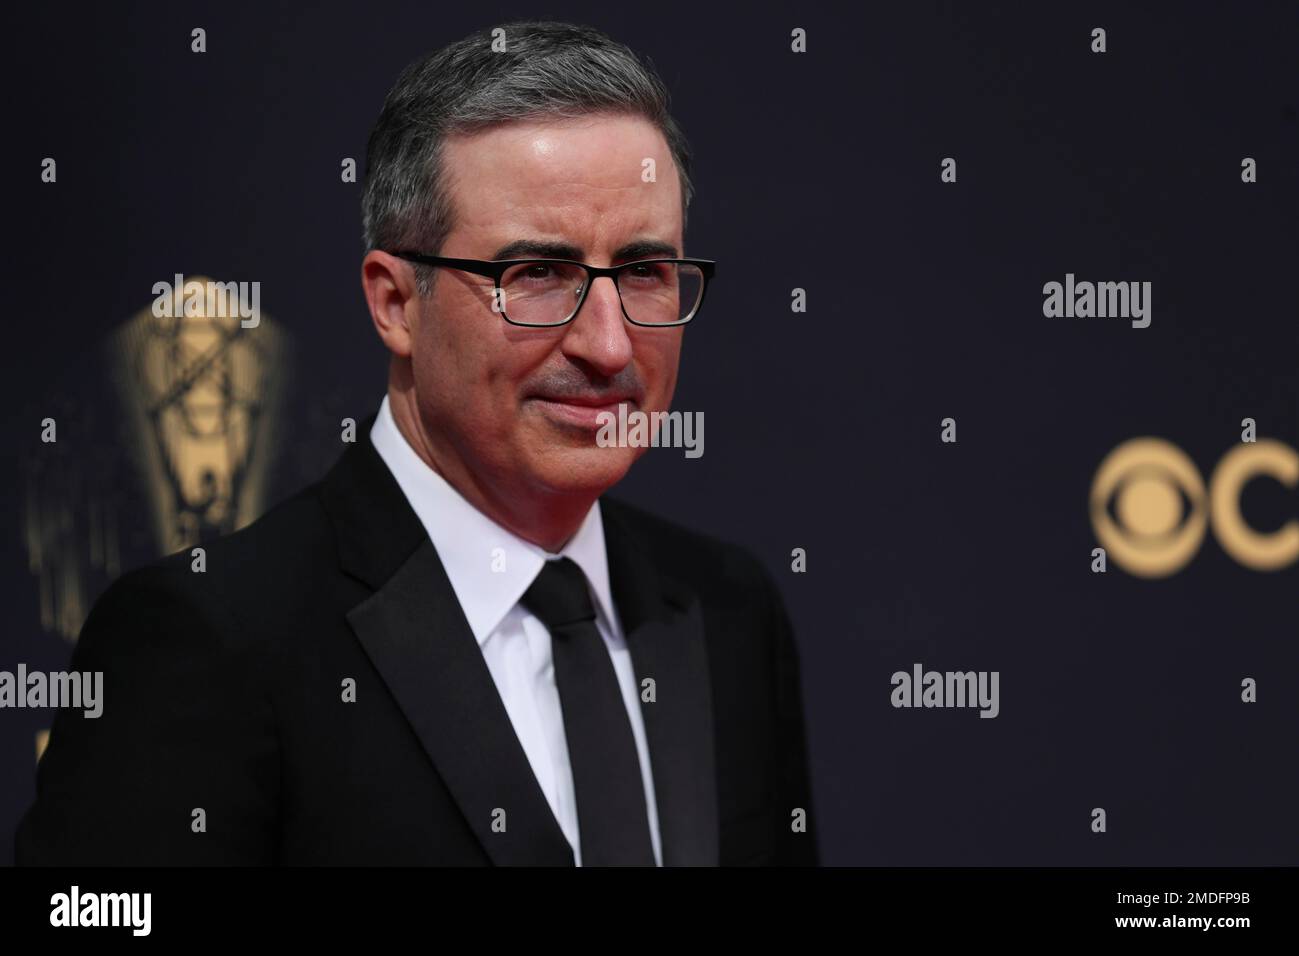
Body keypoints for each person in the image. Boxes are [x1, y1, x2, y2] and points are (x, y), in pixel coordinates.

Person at [15, 20, 817, 866]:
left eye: (646, 271)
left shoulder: (726, 608)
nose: (609, 346)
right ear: (397, 303)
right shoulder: (208, 645)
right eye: (537, 275)